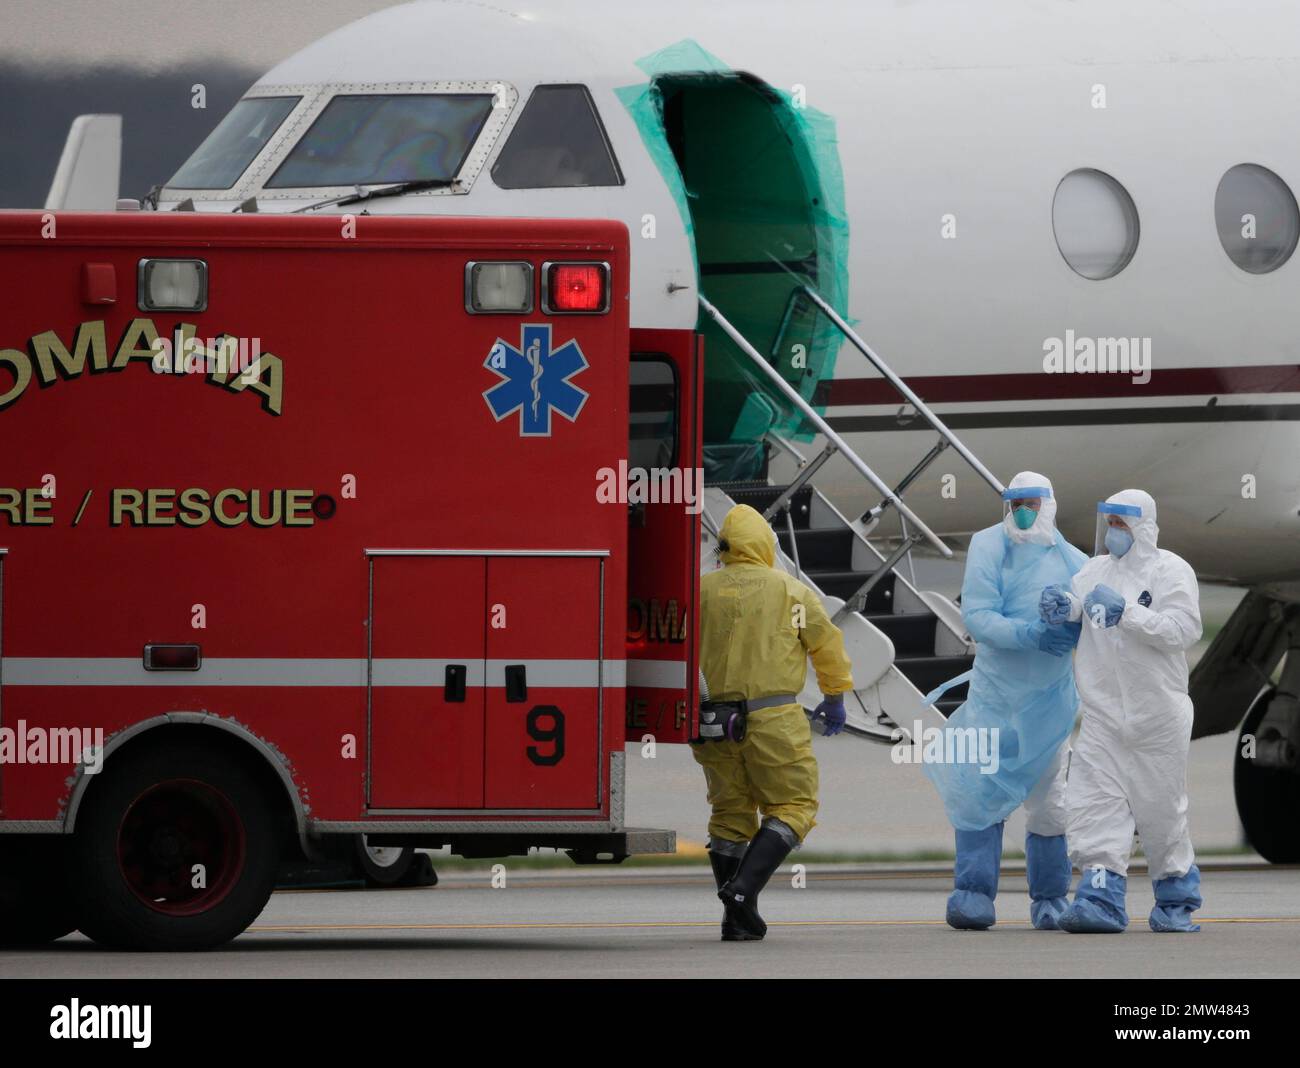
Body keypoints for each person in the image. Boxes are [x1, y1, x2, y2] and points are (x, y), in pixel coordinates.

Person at [923, 471, 1086, 931]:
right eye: (1015, 503)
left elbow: (1093, 618)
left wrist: (1071, 626)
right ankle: (973, 893)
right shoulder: (989, 545)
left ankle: (1052, 899)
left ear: (1049, 504)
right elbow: (977, 615)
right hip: (994, 700)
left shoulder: (1074, 559)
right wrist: (1030, 633)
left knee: (1051, 802)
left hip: (1048, 706)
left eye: (1031, 503)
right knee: (977, 792)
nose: (1023, 512)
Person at [1039, 489, 1204, 933]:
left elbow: (1183, 630)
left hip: (1158, 720)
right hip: (1103, 719)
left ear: (1143, 526)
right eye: (1109, 522)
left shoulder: (1171, 570)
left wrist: (1128, 613)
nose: (1113, 532)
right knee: (1093, 806)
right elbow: (1080, 606)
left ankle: (1174, 901)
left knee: (1161, 814)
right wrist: (1064, 607)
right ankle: (1099, 900)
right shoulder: (1094, 570)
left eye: (1121, 523)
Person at [694, 503, 854, 941]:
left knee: (729, 817)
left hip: (711, 721)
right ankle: (743, 891)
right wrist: (834, 696)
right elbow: (825, 644)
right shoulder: (791, 593)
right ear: (765, 544)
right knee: (794, 807)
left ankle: (736, 918)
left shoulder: (699, 591)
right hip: (772, 719)